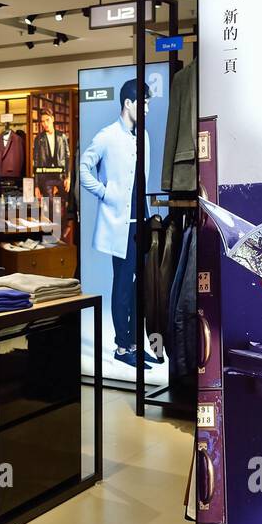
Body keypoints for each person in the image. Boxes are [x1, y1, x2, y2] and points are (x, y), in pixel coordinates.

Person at [78, 79, 154, 370]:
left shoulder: (143, 136)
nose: (146, 107)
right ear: (128, 104)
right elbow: (84, 168)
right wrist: (105, 193)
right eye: (143, 103)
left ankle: (135, 343)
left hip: (141, 222)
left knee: (140, 288)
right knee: (123, 286)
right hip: (119, 224)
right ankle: (123, 347)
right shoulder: (107, 136)